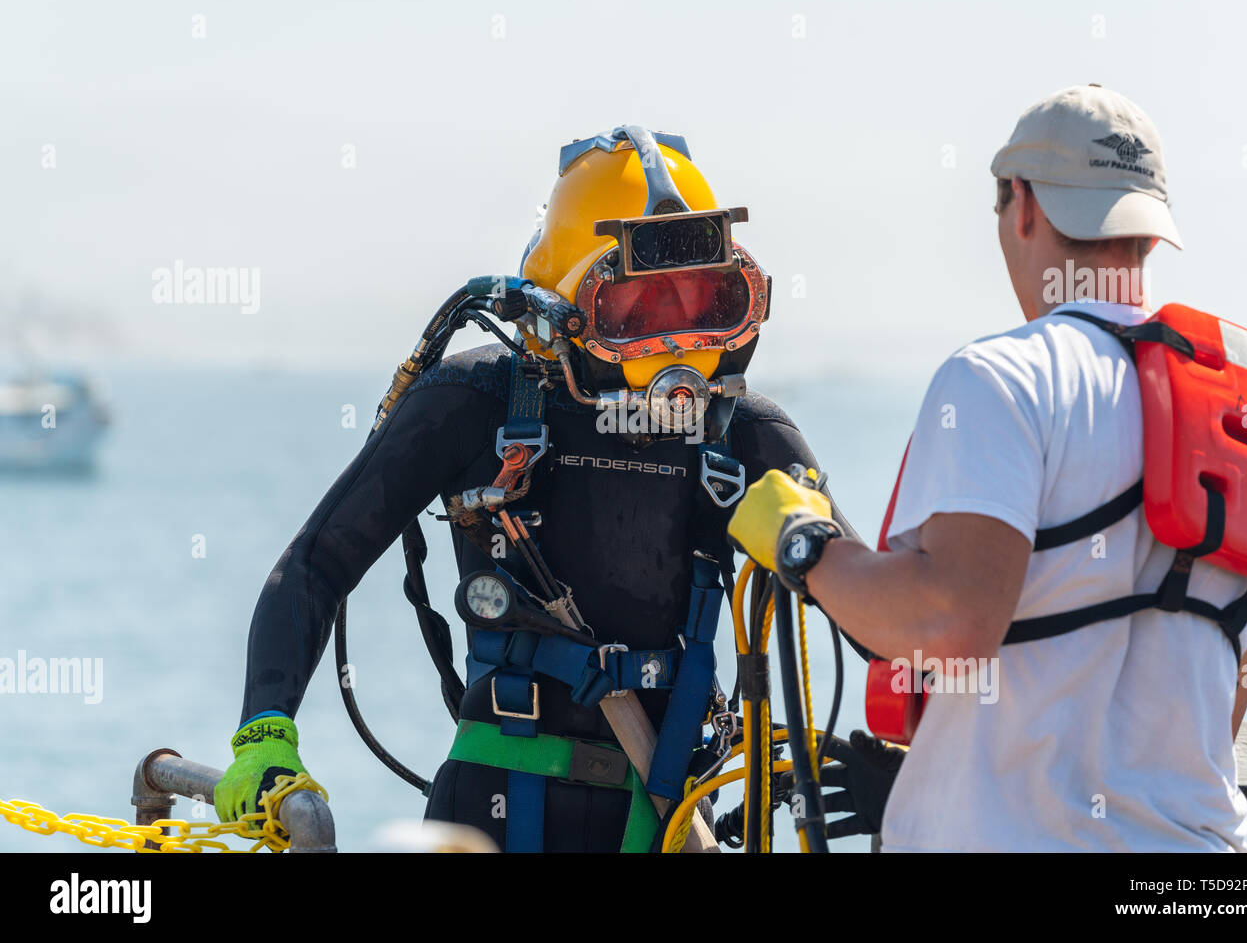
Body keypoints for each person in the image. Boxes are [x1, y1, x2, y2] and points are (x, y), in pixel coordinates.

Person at [212, 126, 892, 852]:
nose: (675, 346)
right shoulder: (476, 403)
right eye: (639, 312)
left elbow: (888, 623)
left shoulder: (744, 438)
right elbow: (318, 563)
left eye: (701, 304)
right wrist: (265, 734)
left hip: (665, 815)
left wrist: (909, 766)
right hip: (493, 809)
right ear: (566, 309)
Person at [727, 85, 1247, 851]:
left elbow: (950, 621)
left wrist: (805, 544)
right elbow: (1222, 678)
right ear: (1151, 237)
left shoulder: (1003, 379)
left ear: (1022, 205)